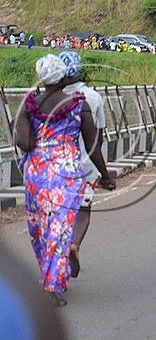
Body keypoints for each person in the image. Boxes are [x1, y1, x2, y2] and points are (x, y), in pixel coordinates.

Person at [14, 55, 103, 306]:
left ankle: (53, 275)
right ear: (64, 76)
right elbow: (93, 145)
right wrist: (105, 175)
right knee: (61, 228)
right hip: (67, 174)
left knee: (40, 227)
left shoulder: (28, 105)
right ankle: (51, 285)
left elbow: (24, 142)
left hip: (36, 174)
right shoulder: (78, 104)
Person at [58, 51, 116, 277]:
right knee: (83, 211)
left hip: (54, 167)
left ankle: (56, 257)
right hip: (84, 166)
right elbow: (97, 141)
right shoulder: (92, 97)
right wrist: (105, 175)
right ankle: (74, 244)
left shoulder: (49, 97)